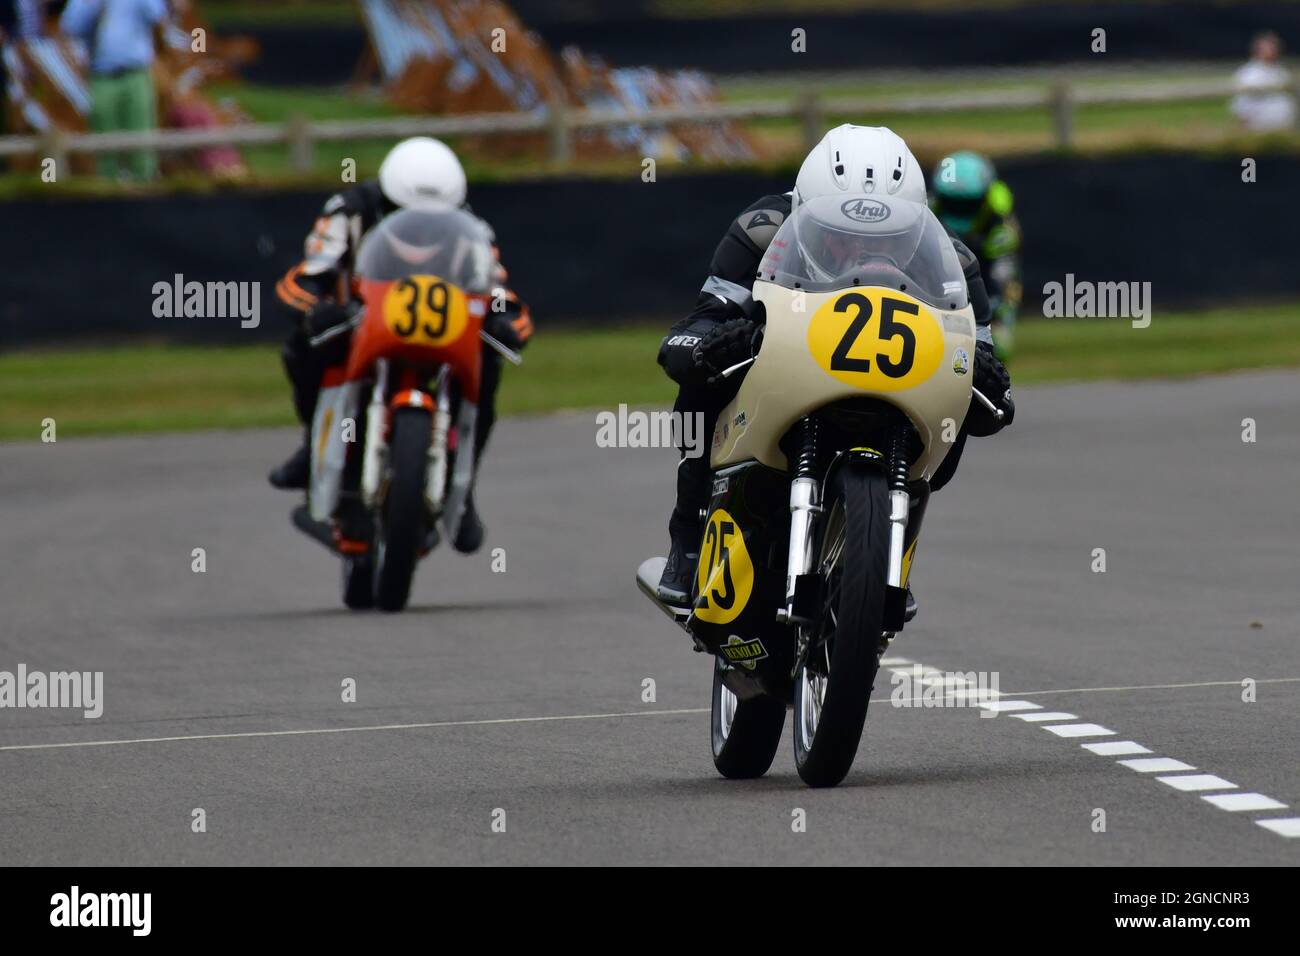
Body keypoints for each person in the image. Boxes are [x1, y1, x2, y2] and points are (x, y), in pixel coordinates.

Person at [654, 125, 1015, 610]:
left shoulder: (953, 257)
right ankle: (689, 529)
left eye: (884, 239)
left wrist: (986, 375)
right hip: (788, 372)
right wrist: (710, 342)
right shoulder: (762, 227)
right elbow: (698, 323)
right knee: (701, 379)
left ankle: (892, 547)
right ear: (803, 209)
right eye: (839, 237)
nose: (857, 252)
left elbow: (984, 359)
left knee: (963, 385)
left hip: (896, 391)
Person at [268, 136, 533, 554]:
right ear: (386, 198)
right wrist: (315, 307)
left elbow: (496, 286)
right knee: (304, 346)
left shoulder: (472, 228)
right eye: (406, 215)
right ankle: (310, 446)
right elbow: (306, 276)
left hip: (443, 330)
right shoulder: (348, 211)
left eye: (435, 218)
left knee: (489, 363)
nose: (421, 228)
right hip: (362, 324)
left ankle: (463, 490)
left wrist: (507, 322)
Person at [60, 0, 167, 181]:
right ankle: (108, 186)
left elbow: (157, 15)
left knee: (141, 132)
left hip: (135, 72)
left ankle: (144, 184)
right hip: (102, 76)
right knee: (104, 133)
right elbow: (70, 27)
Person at [929, 150, 1021, 360]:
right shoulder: (929, 208)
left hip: (987, 282)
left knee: (998, 347)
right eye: (953, 203)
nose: (960, 211)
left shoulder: (1001, 224)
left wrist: (995, 308)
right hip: (941, 285)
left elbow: (1005, 275)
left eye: (968, 204)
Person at [1230, 31, 1296, 132]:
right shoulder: (1248, 74)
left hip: (1284, 129)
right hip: (1259, 130)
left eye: (1273, 48)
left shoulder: (1282, 72)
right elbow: (1241, 104)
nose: (1271, 51)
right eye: (1267, 48)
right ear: (1257, 50)